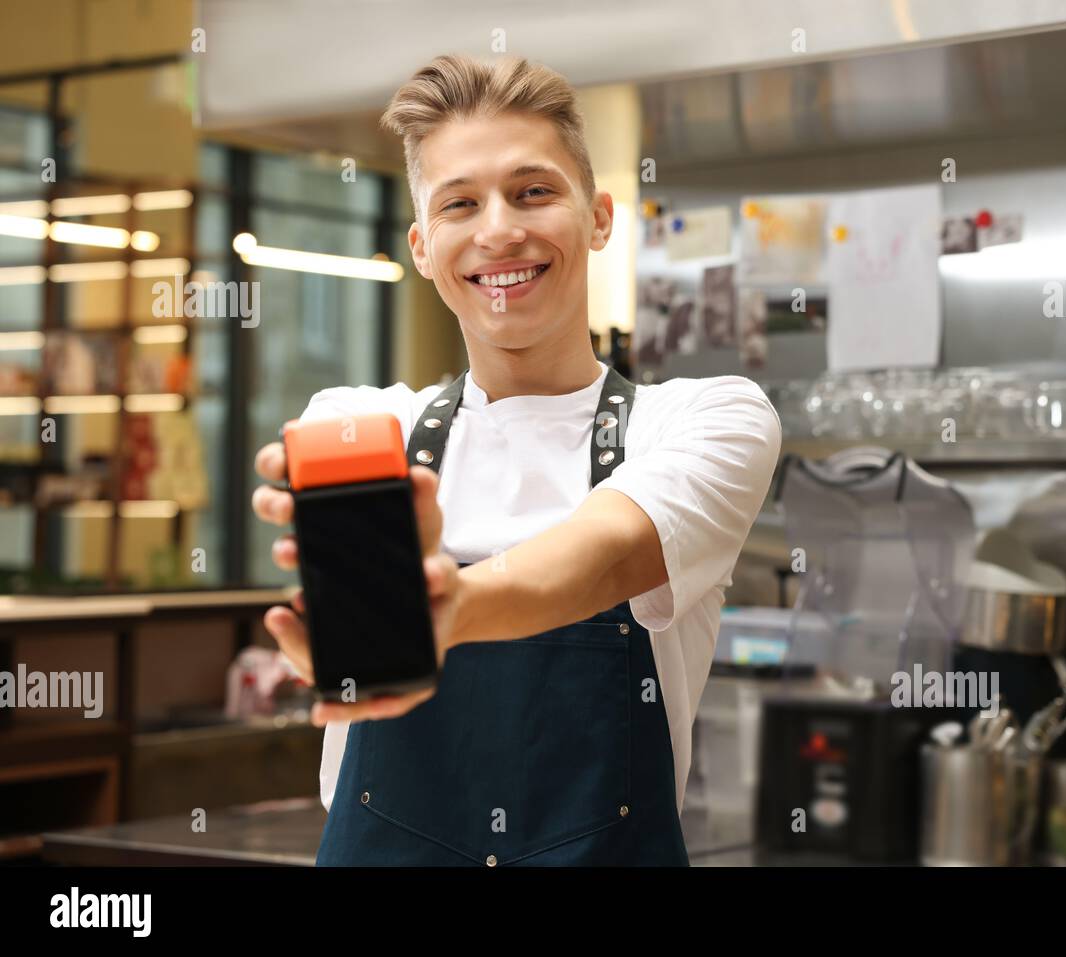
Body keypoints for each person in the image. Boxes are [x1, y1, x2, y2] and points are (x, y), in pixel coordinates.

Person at [250, 54, 781, 866]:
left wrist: (445, 604)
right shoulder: (359, 425)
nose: (498, 228)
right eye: (460, 203)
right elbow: (357, 649)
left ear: (599, 217)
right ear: (424, 248)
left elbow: (601, 555)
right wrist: (366, 615)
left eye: (533, 191)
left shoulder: (707, 420)